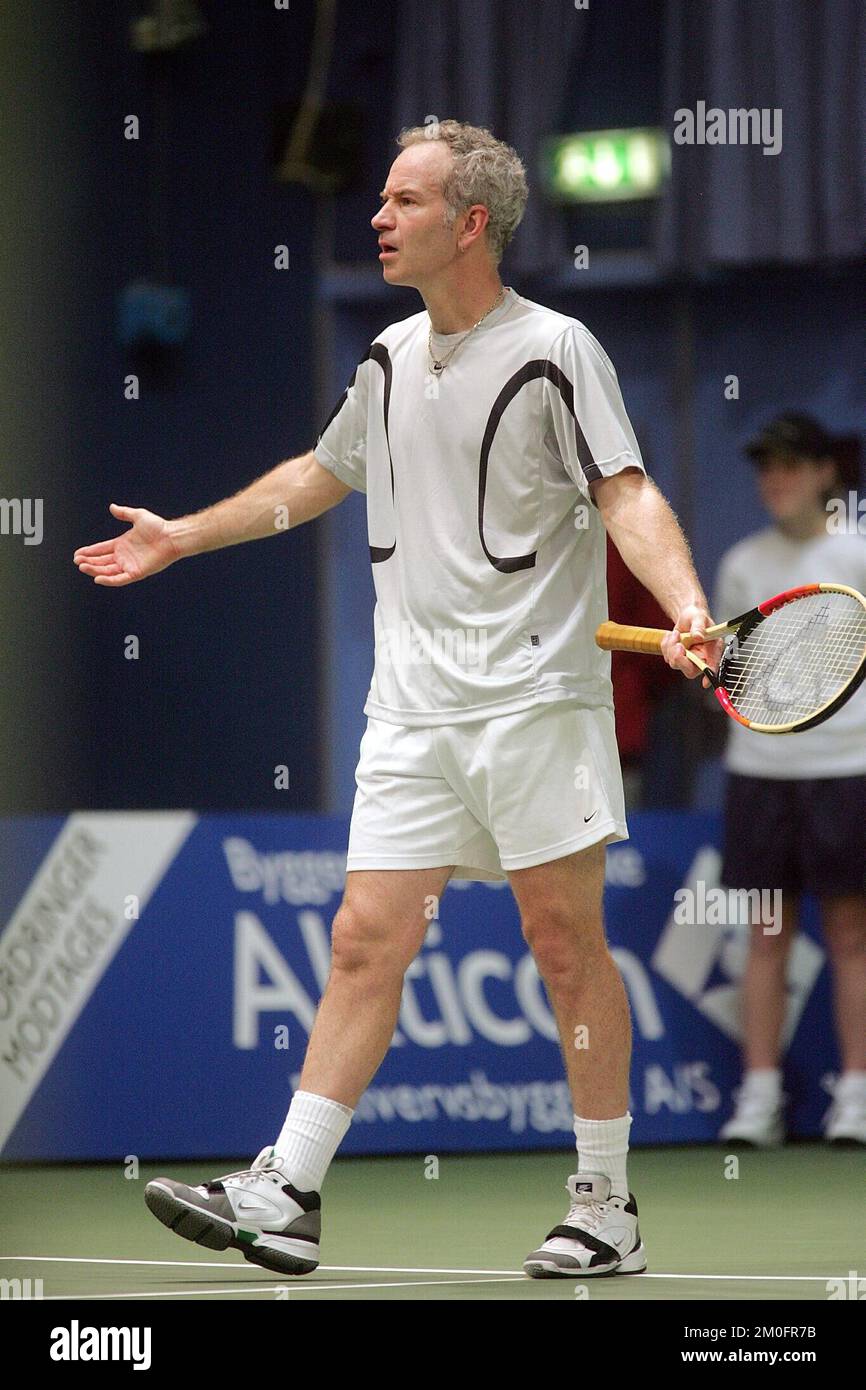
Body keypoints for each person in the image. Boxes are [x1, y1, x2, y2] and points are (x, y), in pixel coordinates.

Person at [74, 120, 719, 1279]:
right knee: (365, 935)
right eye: (380, 199)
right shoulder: (382, 357)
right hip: (413, 708)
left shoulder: (556, 349)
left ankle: (604, 1200)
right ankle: (289, 1188)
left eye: (403, 201)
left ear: (470, 224)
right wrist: (185, 536)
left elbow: (623, 492)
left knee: (563, 946)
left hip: (534, 701)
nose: (377, 217)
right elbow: (316, 477)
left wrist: (681, 602)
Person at [715, 413, 866, 1147]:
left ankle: (856, 1100)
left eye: (789, 465)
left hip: (847, 769)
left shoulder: (858, 554)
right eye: (764, 467)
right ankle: (760, 1097)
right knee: (767, 936)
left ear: (824, 473)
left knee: (850, 935)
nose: (774, 480)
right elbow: (730, 676)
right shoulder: (743, 564)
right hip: (761, 774)